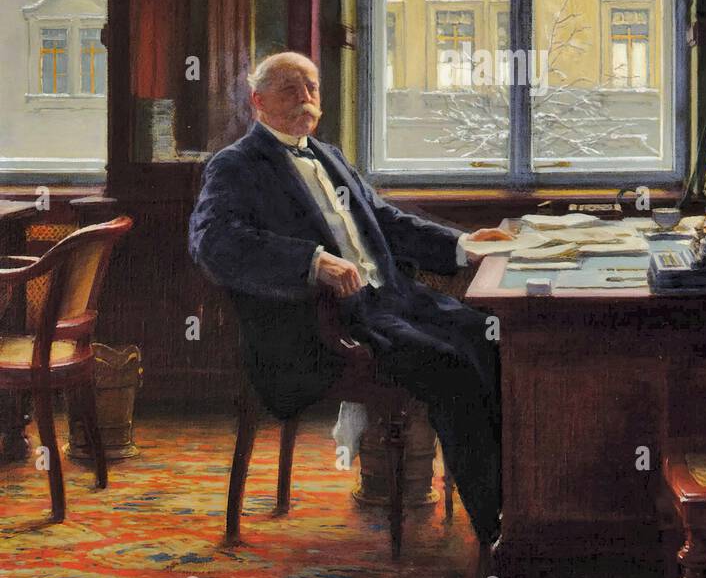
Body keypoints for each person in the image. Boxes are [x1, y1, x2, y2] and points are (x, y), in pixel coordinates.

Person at [188, 50, 513, 545]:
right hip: (327, 324)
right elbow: (213, 243)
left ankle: (524, 507)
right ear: (257, 101)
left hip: (392, 299)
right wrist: (311, 261)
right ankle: (498, 532)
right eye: (290, 90)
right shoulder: (235, 166)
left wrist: (462, 246)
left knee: (496, 343)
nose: (306, 99)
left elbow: (386, 222)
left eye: (312, 88)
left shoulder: (327, 155)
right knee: (451, 370)